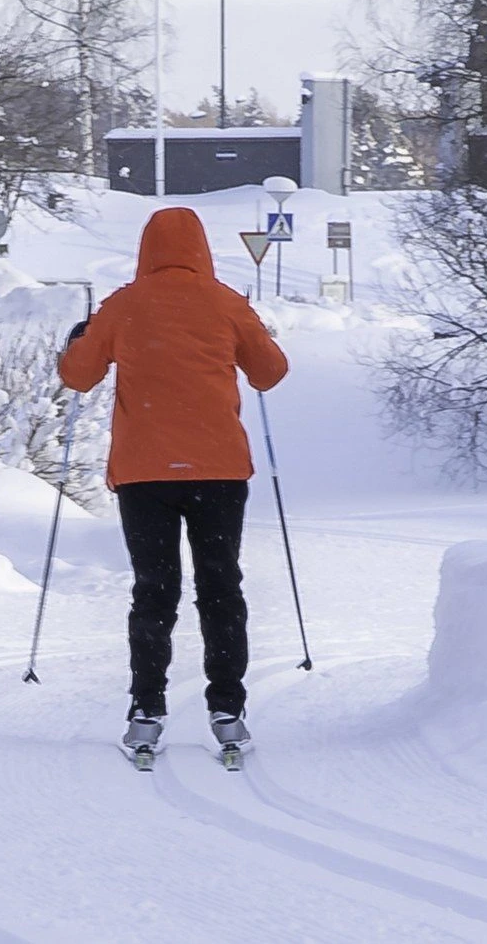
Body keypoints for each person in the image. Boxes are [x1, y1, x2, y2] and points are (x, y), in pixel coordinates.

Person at [57, 206, 288, 758]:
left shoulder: (123, 306)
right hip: (219, 472)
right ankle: (228, 710)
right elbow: (270, 372)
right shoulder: (228, 303)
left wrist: (81, 337)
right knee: (220, 588)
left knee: (154, 591)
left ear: (147, 250)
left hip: (145, 474)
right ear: (201, 249)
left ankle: (146, 712)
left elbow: (77, 375)